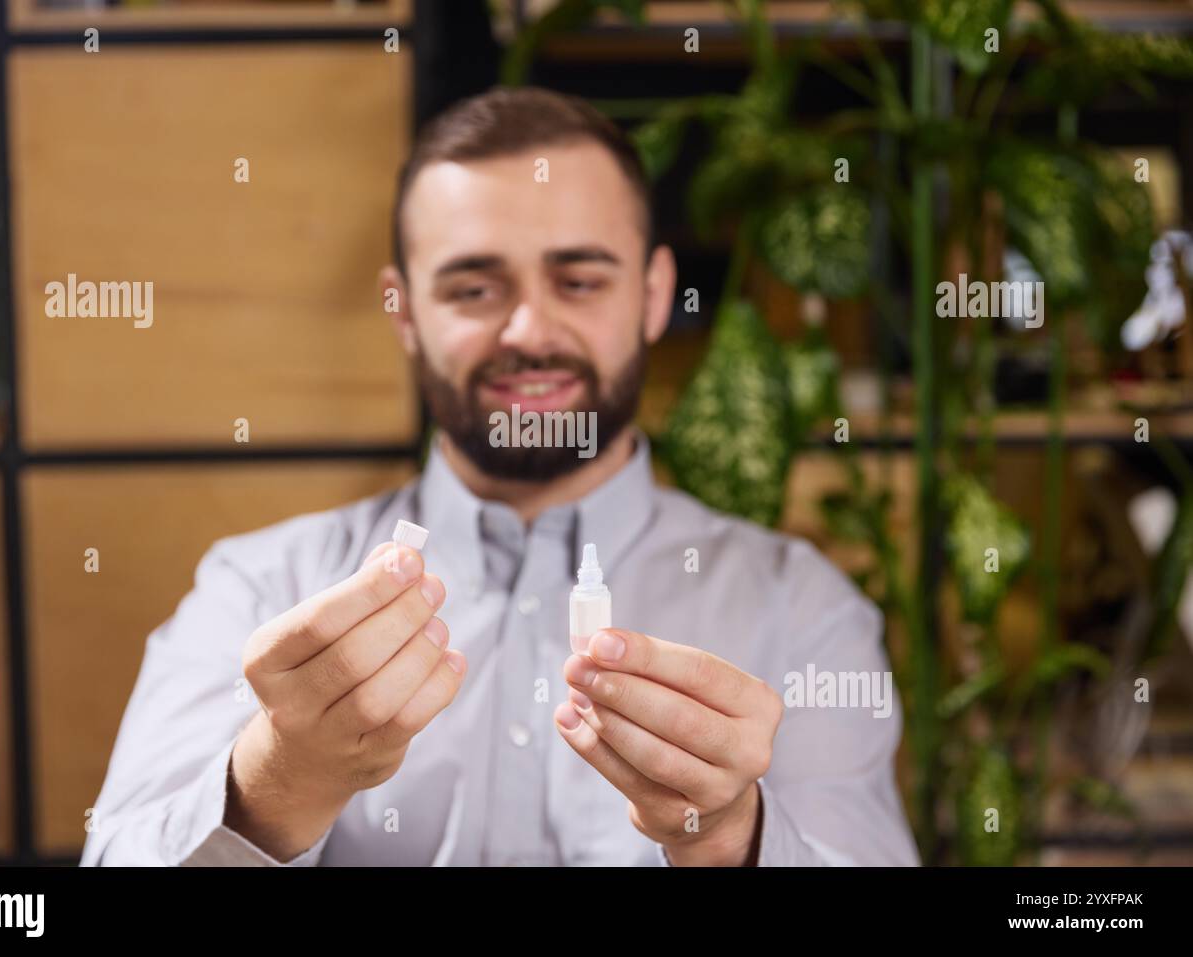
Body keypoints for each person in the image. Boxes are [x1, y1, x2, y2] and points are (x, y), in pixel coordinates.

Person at [80, 86, 919, 867]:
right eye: (475, 287)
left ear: (655, 294)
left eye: (579, 279)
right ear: (404, 309)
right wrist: (284, 776)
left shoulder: (798, 607)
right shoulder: (260, 587)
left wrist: (733, 833)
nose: (528, 329)